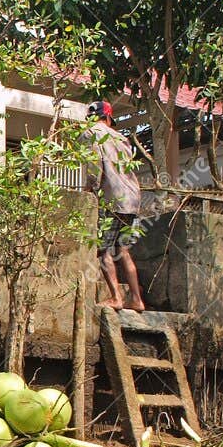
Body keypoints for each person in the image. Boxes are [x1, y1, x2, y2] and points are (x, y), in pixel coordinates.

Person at [87, 101, 147, 311]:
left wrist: (91, 190)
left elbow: (94, 166)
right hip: (131, 198)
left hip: (111, 198)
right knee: (124, 250)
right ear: (109, 117)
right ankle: (137, 299)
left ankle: (116, 298)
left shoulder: (92, 133)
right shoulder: (122, 138)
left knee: (103, 250)